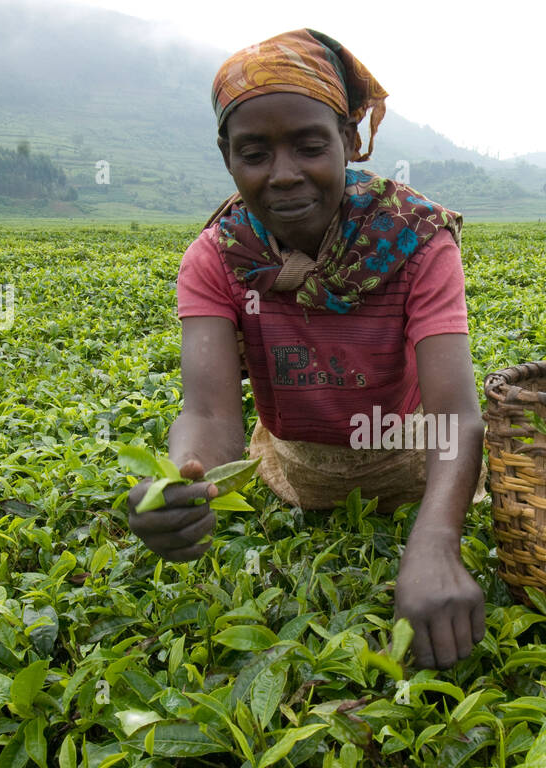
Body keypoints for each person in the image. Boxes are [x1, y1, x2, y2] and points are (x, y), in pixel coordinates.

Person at [126, 29, 487, 670]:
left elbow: (454, 415)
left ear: (350, 140)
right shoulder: (217, 257)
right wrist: (181, 483)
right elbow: (209, 416)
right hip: (298, 472)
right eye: (255, 154)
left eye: (311, 146)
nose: (284, 175)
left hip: (412, 469)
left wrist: (435, 539)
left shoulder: (417, 241)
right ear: (226, 155)